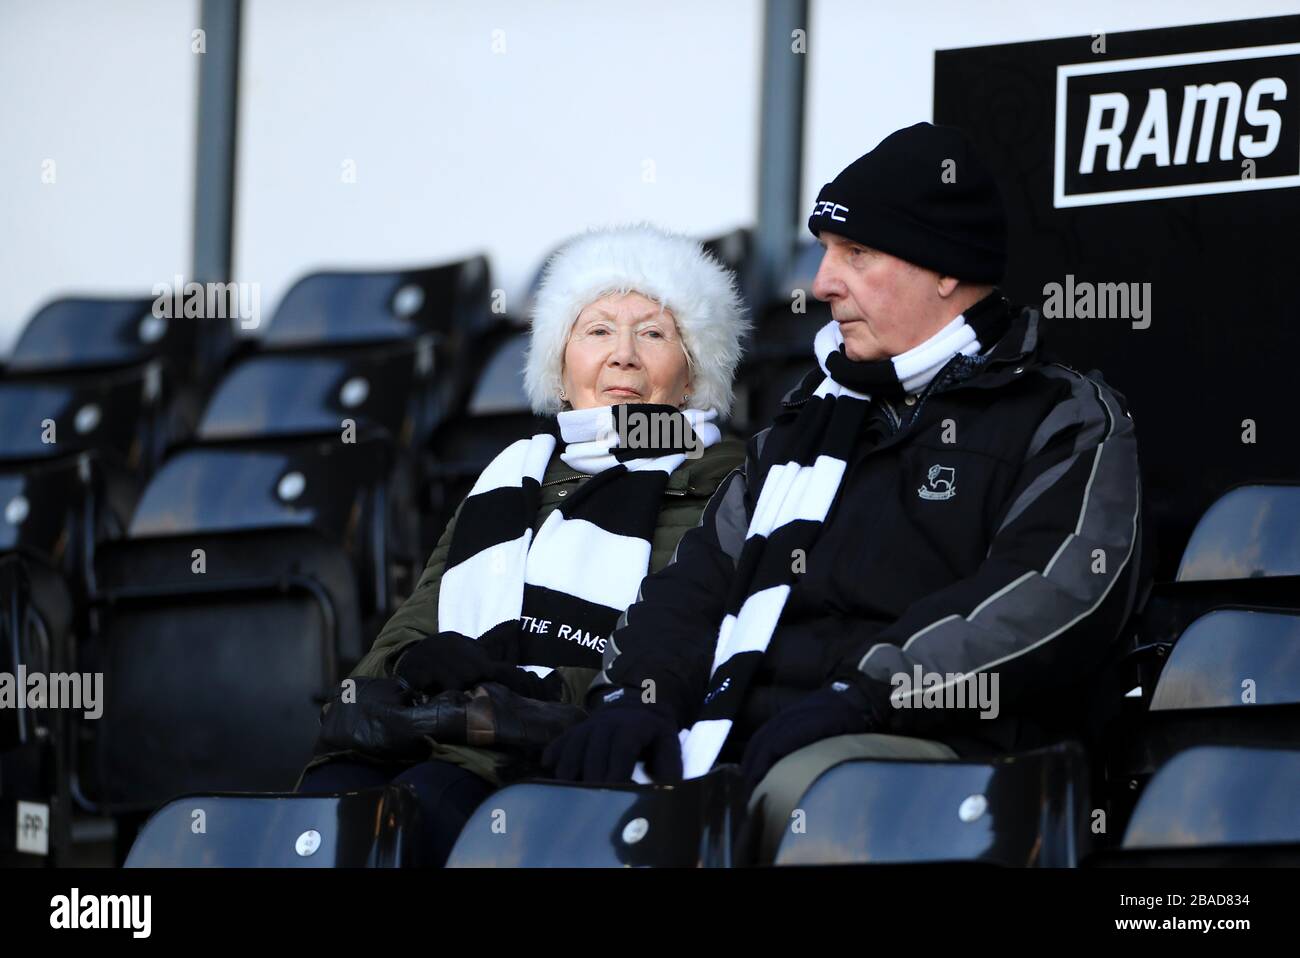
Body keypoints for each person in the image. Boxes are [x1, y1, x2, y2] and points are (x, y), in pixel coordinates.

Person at [543, 123, 1144, 863]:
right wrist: (637, 698)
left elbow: (1052, 596)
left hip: (944, 747)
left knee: (801, 797)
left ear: (946, 270)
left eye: (856, 254)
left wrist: (865, 694)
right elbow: (697, 584)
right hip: (751, 733)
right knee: (572, 801)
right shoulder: (803, 424)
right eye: (826, 252)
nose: (823, 282)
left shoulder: (1063, 414)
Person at [296, 224, 749, 865]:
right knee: (318, 815)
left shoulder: (718, 478)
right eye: (597, 331)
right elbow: (413, 622)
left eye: (652, 333)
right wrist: (411, 670)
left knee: (423, 810)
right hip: (437, 732)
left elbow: (664, 644)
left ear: (693, 376)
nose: (622, 355)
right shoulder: (512, 473)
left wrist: (514, 690)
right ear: (560, 368)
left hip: (558, 754)